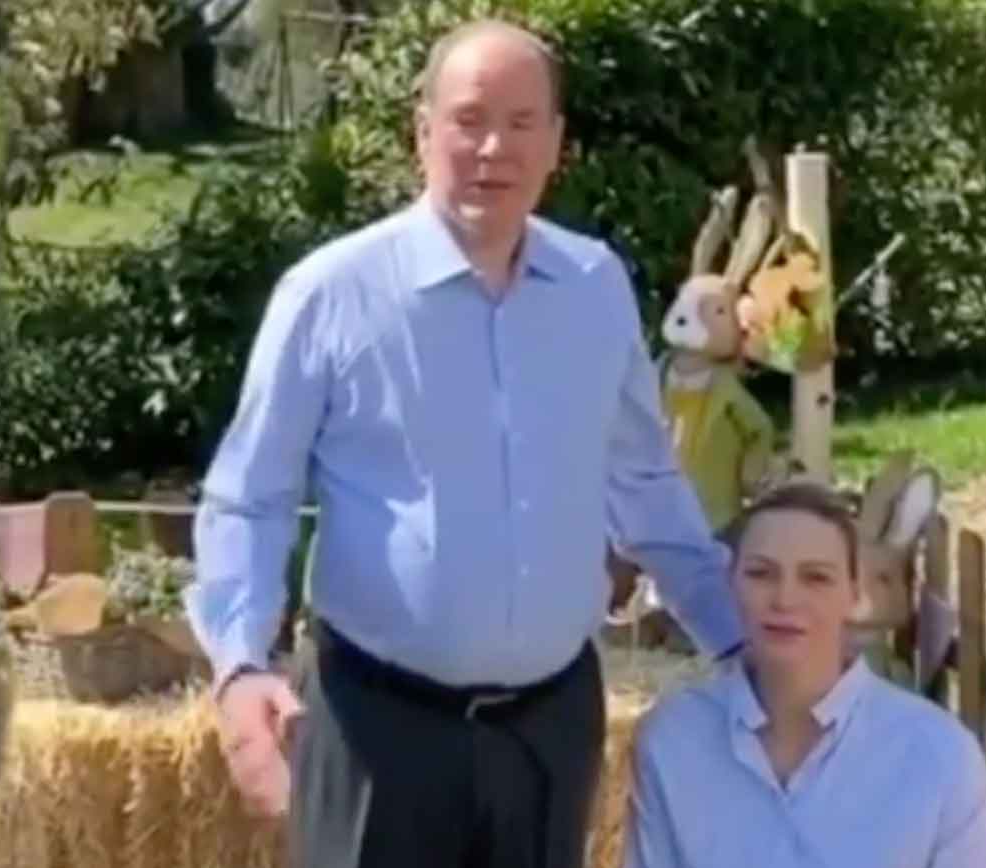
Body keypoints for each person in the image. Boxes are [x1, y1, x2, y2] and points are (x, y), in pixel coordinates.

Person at [182, 18, 745, 868]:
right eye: (469, 119)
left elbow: (642, 480)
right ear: (423, 132)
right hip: (379, 728)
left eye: (523, 123)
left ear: (557, 143)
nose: (494, 147)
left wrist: (738, 642)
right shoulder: (331, 294)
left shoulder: (594, 288)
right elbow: (250, 495)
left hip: (549, 730)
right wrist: (238, 663)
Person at [623, 482, 986, 868]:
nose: (785, 599)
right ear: (730, 584)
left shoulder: (937, 755)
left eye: (816, 578)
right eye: (761, 573)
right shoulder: (673, 741)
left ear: (855, 595)